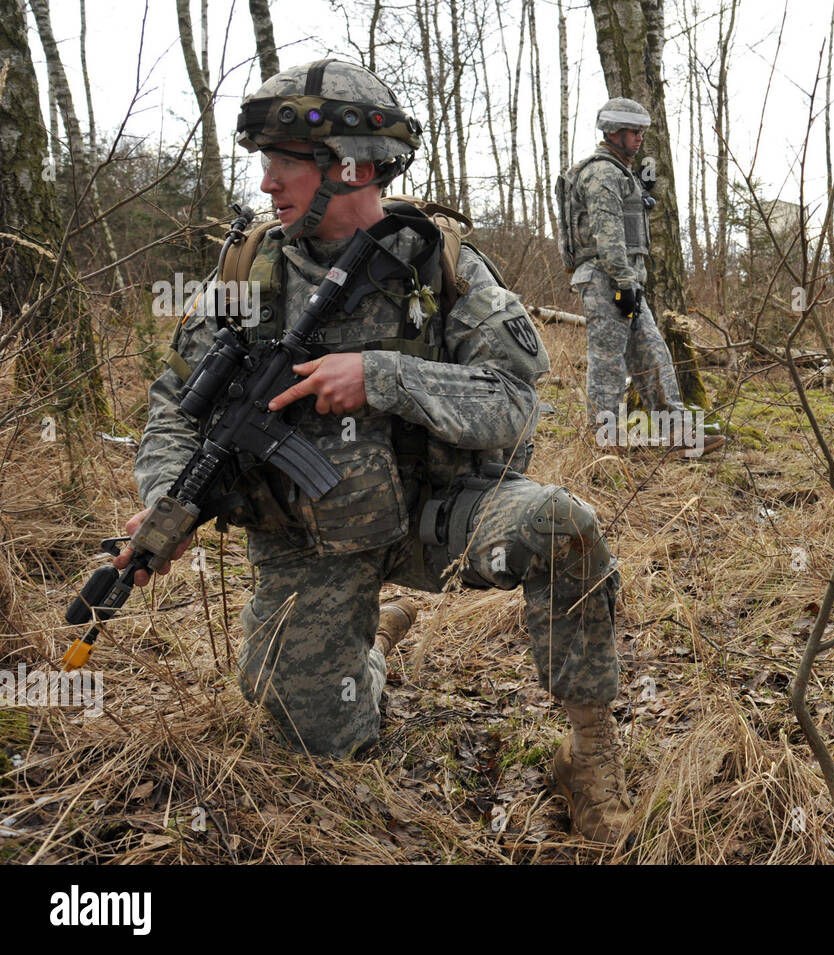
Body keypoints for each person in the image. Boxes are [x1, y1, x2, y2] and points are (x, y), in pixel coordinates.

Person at [114, 60, 633, 843]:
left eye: (284, 166)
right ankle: (373, 643)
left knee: (565, 526)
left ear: (351, 167)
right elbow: (173, 403)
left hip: (435, 512)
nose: (266, 186)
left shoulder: (438, 261)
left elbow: (514, 400)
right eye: (264, 165)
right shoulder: (245, 269)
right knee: (313, 748)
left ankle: (591, 757)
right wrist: (166, 494)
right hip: (308, 541)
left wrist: (383, 376)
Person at [558, 97, 723, 457]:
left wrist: (642, 195)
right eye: (633, 132)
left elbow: (626, 222)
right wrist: (623, 282)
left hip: (624, 280)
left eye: (642, 132)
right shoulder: (601, 172)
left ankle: (678, 433)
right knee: (608, 361)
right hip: (608, 279)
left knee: (653, 355)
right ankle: (603, 442)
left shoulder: (620, 173)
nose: (639, 139)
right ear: (613, 132)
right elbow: (608, 234)